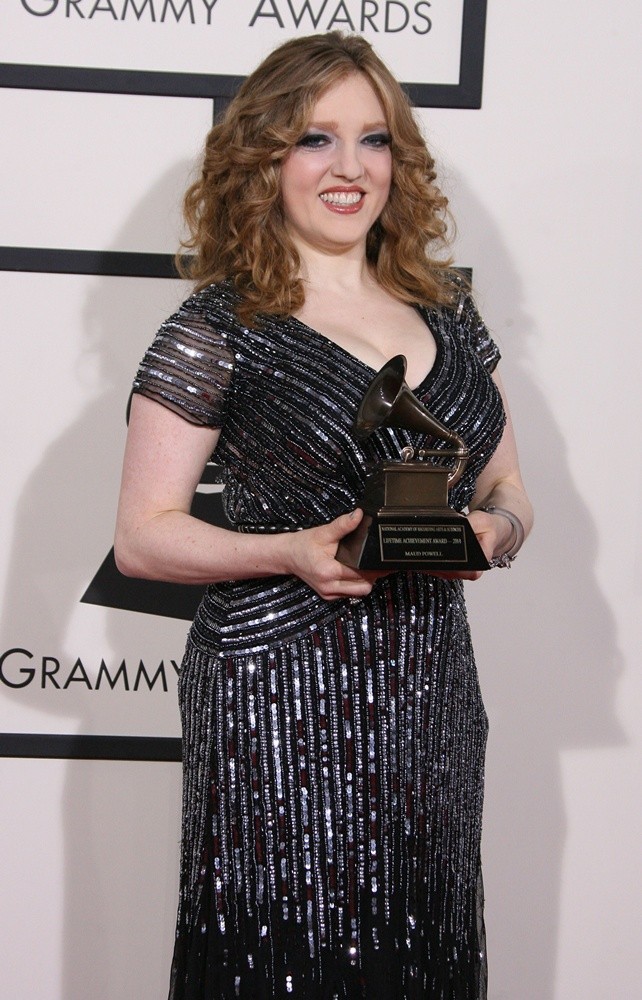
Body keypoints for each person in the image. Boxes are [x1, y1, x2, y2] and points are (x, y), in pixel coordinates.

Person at [115, 31, 533, 1000]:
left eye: (373, 140)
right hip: (276, 698)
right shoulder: (219, 327)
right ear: (263, 156)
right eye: (315, 140)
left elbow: (511, 490)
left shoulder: (449, 315)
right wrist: (291, 552)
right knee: (280, 958)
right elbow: (141, 534)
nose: (351, 168)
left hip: (428, 699)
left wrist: (492, 535)